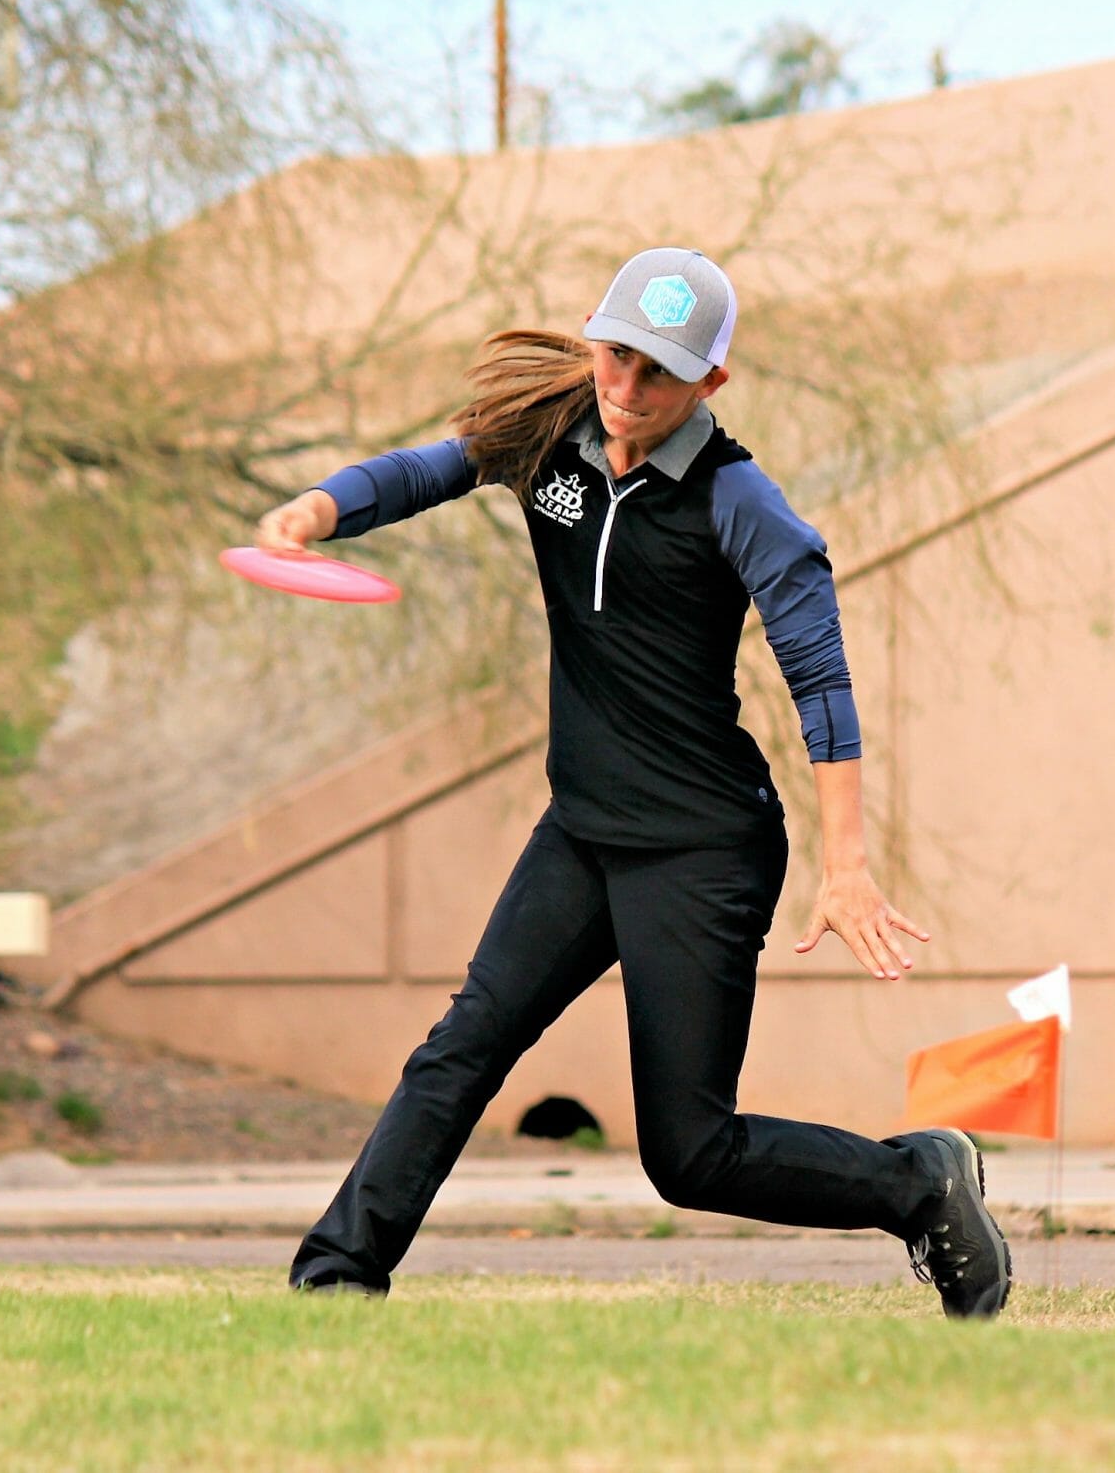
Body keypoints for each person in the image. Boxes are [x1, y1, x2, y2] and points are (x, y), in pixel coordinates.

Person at [260, 247, 1011, 1318]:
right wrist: (317, 512)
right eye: (614, 356)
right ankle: (337, 1276)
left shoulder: (739, 500)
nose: (625, 389)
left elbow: (823, 686)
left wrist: (846, 868)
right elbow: (420, 470)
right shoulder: (545, 436)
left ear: (712, 381)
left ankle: (917, 1182)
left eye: (657, 373)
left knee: (690, 1154)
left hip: (705, 846)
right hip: (584, 831)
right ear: (590, 334)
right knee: (462, 1049)